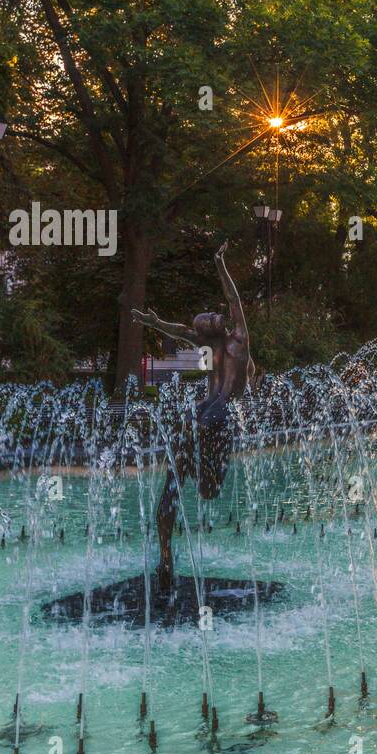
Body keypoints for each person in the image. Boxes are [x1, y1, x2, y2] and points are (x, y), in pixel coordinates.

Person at [132, 242, 253, 592]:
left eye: (208, 320)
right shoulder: (218, 345)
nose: (209, 320)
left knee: (195, 485)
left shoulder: (237, 342)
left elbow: (234, 300)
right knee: (191, 484)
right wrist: (152, 322)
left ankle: (167, 546)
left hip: (212, 418)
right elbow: (179, 330)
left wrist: (220, 264)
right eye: (206, 321)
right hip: (211, 419)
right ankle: (166, 553)